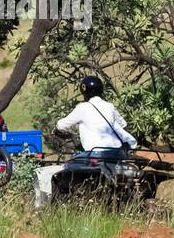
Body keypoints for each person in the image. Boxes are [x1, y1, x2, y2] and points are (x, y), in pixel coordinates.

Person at [34, 75, 137, 207]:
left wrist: (56, 129)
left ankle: (45, 206)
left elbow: (62, 125)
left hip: (95, 154)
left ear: (84, 91)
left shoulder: (82, 108)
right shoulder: (109, 106)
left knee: (66, 164)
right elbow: (122, 124)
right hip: (117, 154)